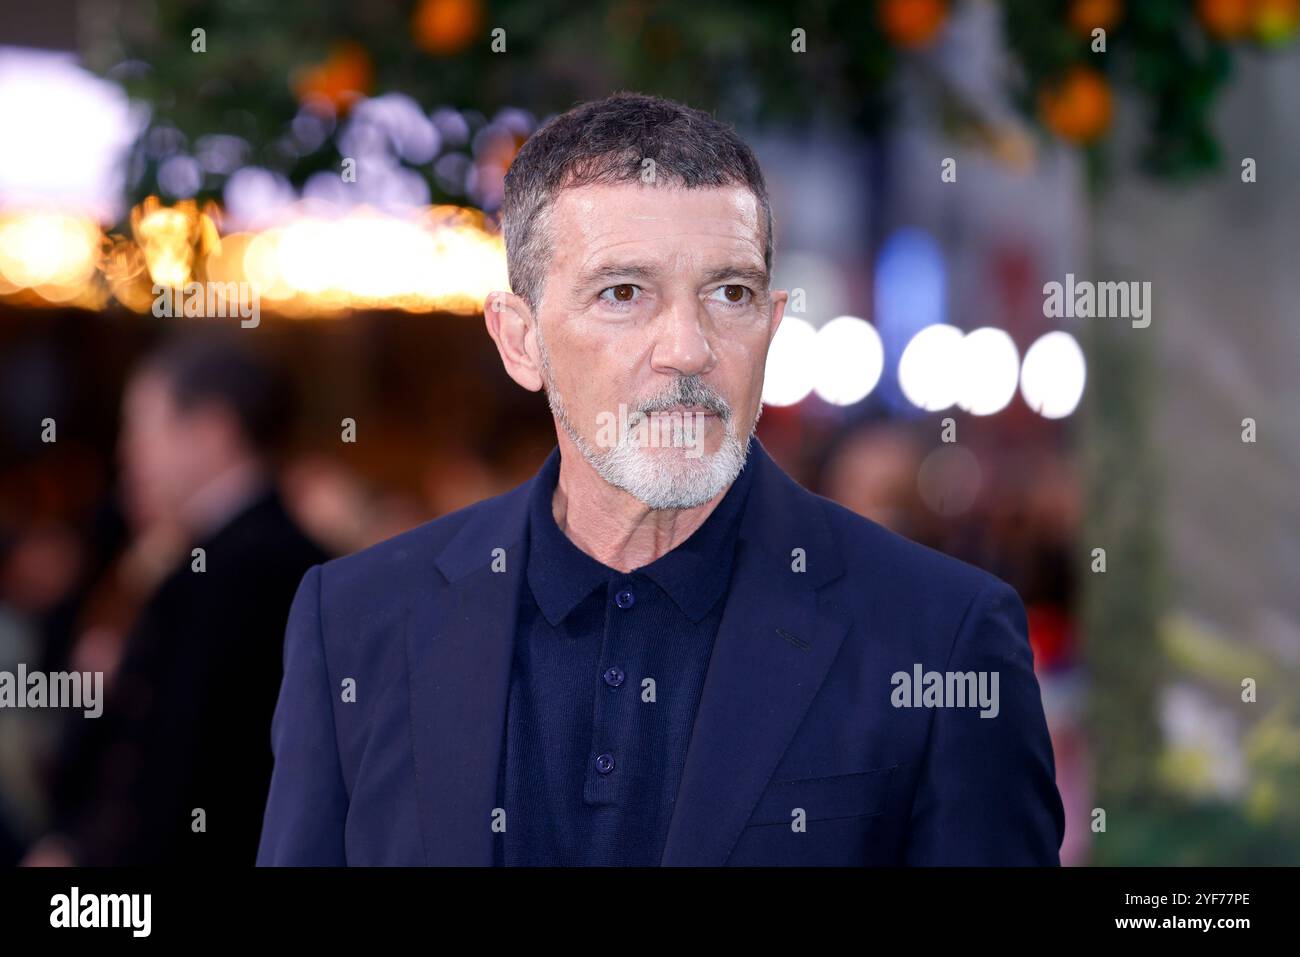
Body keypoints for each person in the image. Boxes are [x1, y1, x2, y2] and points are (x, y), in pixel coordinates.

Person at [257, 92, 1064, 866]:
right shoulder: (359, 622)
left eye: (730, 292)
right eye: (624, 292)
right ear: (519, 338)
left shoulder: (939, 633)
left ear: (772, 325)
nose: (688, 346)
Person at [24, 333, 326, 866]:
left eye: (142, 430)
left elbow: (182, 769)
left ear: (210, 433)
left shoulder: (236, 573)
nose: (127, 454)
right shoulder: (264, 555)